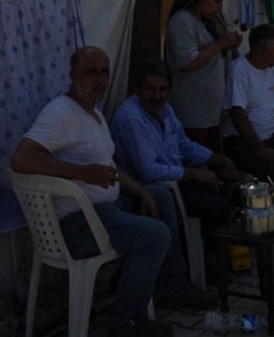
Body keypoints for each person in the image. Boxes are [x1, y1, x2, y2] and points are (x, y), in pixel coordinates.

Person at [10, 46, 175, 337]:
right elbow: (21, 159)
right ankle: (123, 323)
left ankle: (171, 284)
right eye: (91, 73)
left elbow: (108, 165)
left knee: (160, 195)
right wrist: (81, 173)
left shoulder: (93, 113)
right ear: (73, 76)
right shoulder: (60, 113)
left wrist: (141, 192)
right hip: (79, 224)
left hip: (103, 210)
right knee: (156, 235)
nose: (99, 80)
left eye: (104, 72)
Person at [111, 57, 244, 263]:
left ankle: (233, 257)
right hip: (153, 189)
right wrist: (194, 174)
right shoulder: (132, 118)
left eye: (162, 89)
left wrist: (220, 160)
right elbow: (149, 171)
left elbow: (185, 146)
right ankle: (209, 264)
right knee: (217, 207)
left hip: (177, 179)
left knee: (236, 192)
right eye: (151, 89)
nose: (157, 95)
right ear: (137, 89)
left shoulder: (164, 109)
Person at [165, 0, 244, 152]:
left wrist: (228, 46)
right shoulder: (182, 22)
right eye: (216, 1)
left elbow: (212, 55)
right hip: (192, 113)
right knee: (197, 156)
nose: (220, 7)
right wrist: (220, 44)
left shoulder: (206, 24)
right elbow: (188, 62)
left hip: (209, 111)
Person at [221, 23, 274, 182]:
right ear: (266, 50)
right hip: (243, 142)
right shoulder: (238, 71)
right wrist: (261, 150)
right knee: (269, 172)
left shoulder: (271, 68)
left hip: (272, 134)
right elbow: (238, 114)